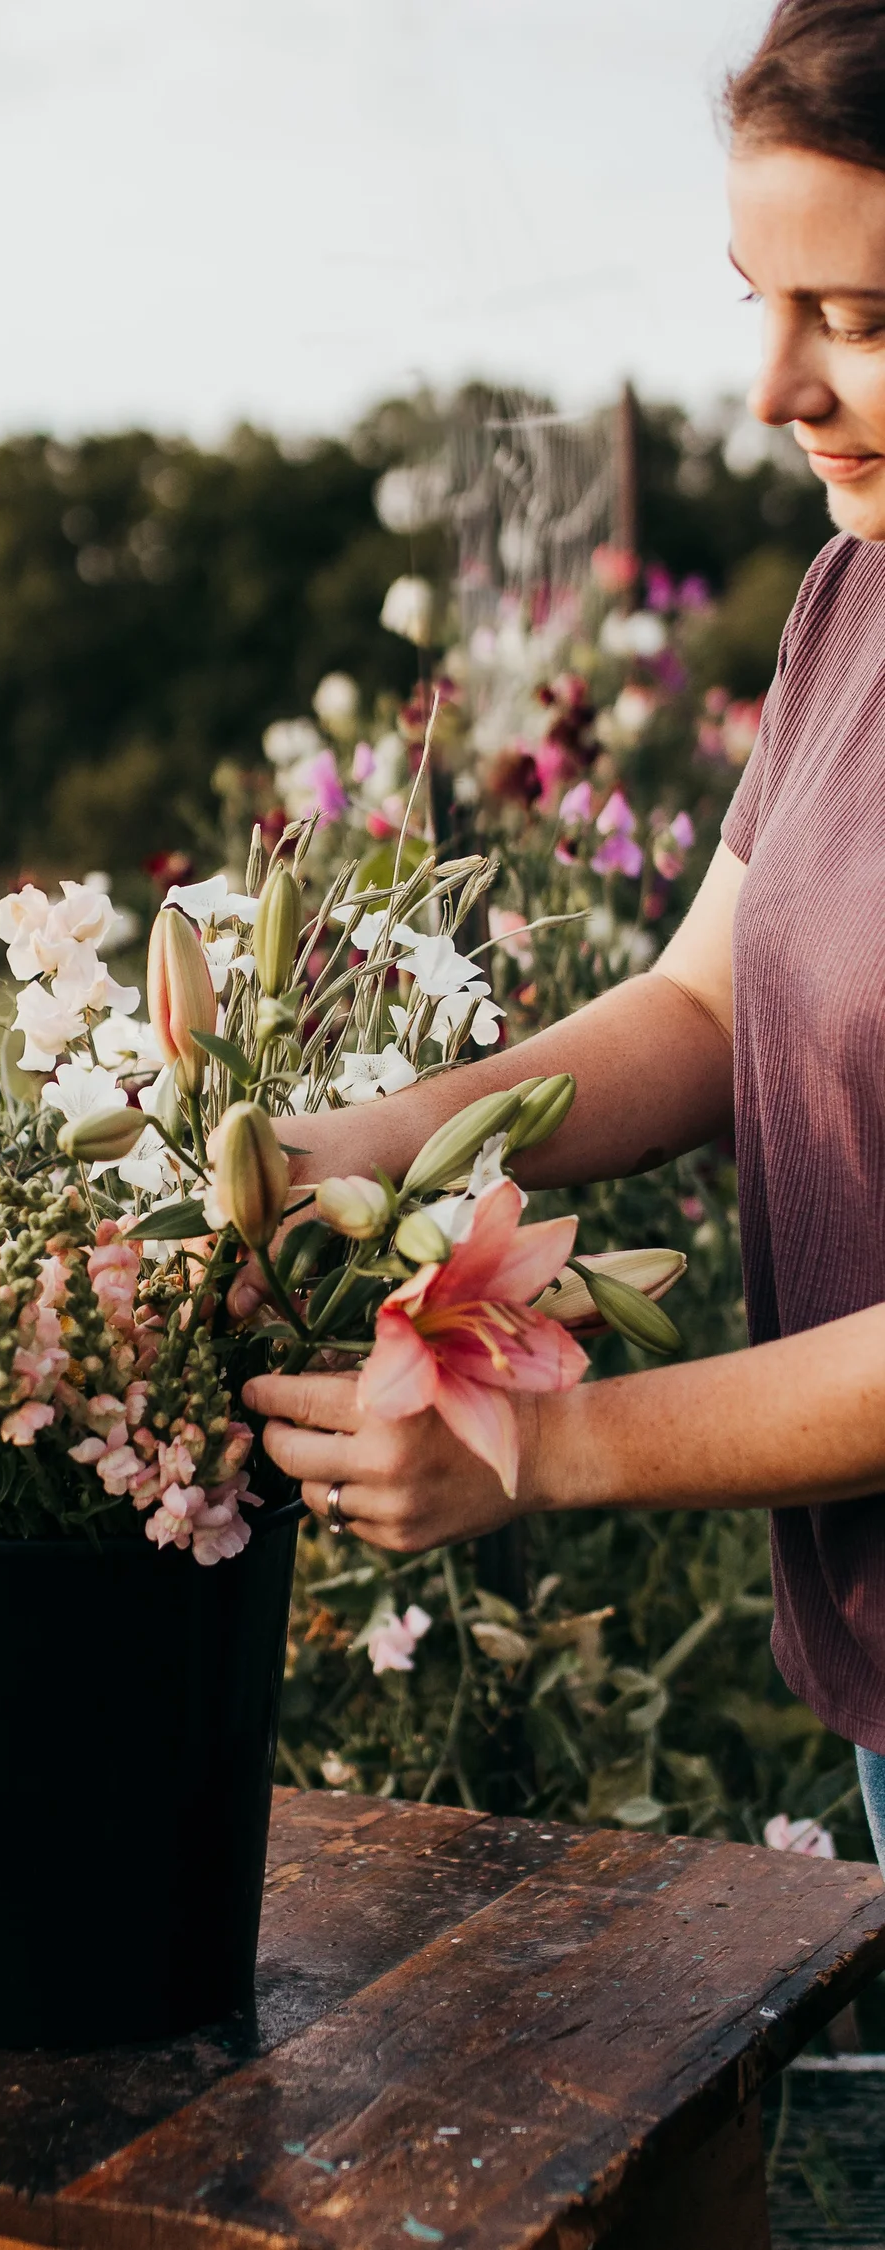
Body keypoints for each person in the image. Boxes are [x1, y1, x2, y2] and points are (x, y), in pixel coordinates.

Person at [238, 0, 885, 1862]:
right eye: (759, 298)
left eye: (858, 317)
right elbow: (706, 1001)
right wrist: (379, 1143)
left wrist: (541, 1438)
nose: (773, 387)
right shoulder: (853, 598)